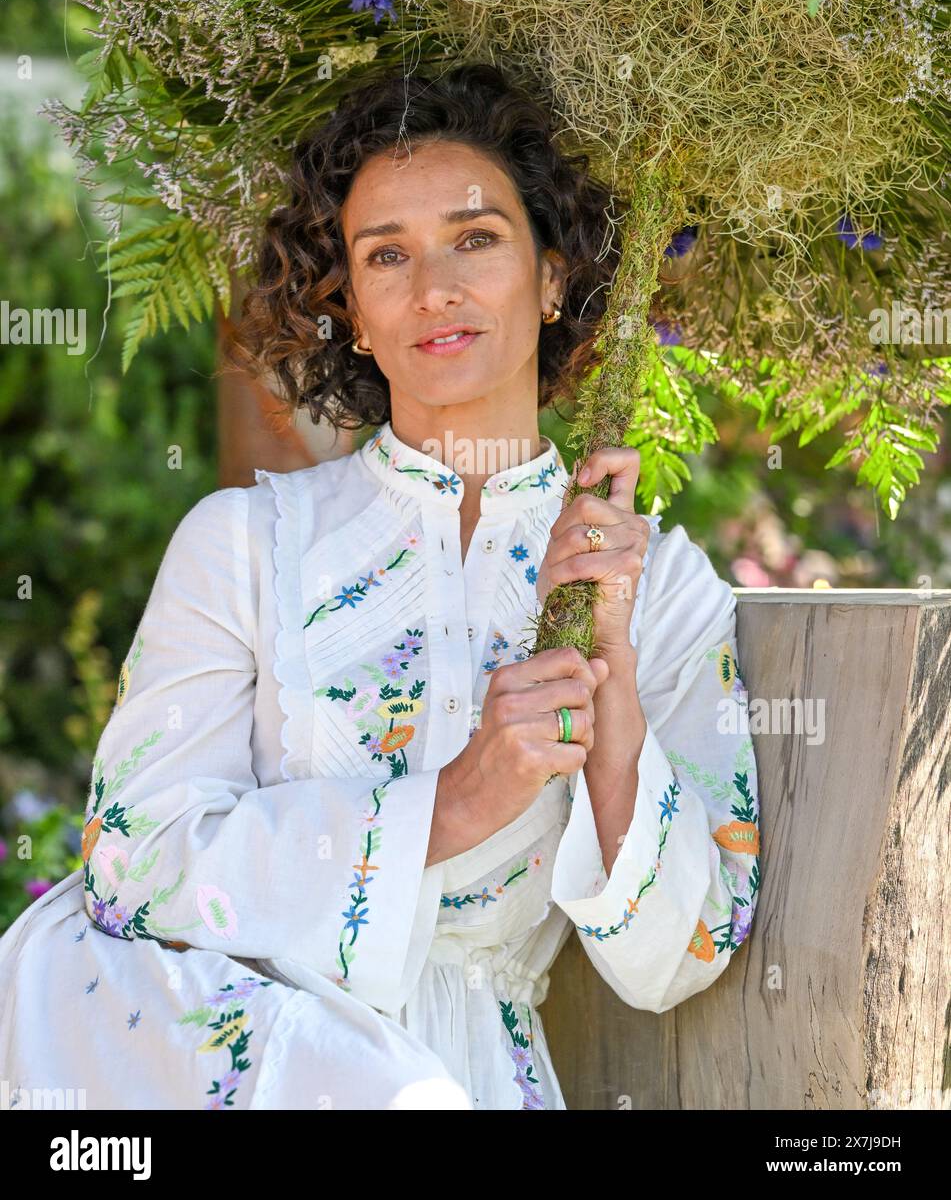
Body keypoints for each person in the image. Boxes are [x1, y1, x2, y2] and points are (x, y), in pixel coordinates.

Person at [0, 63, 760, 1111]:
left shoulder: (657, 584)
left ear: (551, 277)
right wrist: (449, 803)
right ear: (353, 308)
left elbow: (684, 954)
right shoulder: (244, 546)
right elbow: (136, 863)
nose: (433, 288)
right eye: (385, 255)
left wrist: (615, 692)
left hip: (477, 1075)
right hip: (235, 1057)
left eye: (477, 238)